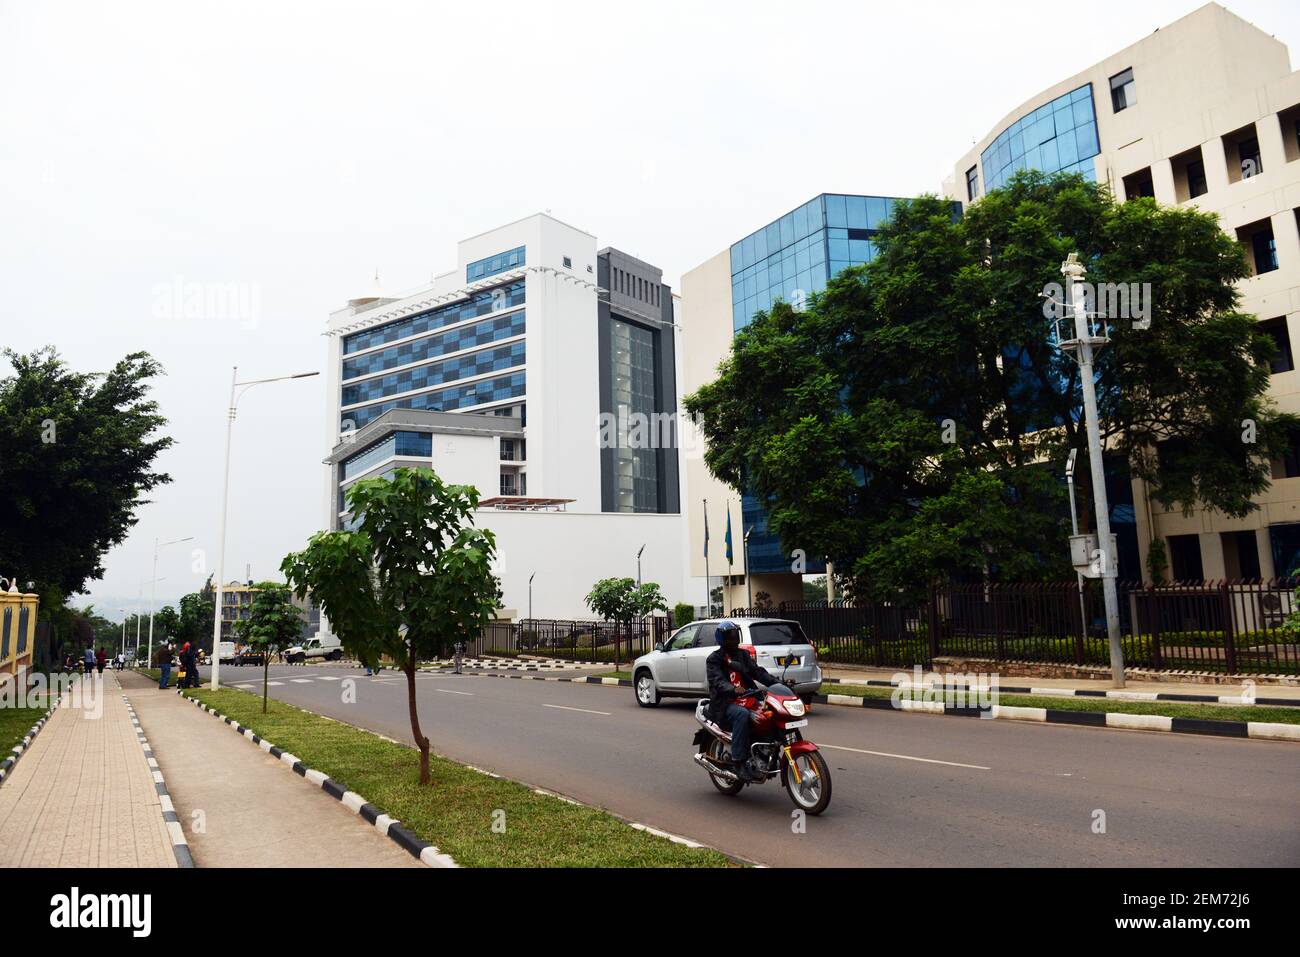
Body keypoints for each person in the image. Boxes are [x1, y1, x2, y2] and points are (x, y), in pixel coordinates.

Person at [706, 620, 778, 782]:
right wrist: (732, 689)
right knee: (742, 715)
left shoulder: (742, 655)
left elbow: (758, 672)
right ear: (722, 639)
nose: (734, 640)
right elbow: (717, 680)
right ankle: (738, 762)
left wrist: (777, 684)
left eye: (735, 636)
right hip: (725, 705)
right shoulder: (714, 659)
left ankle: (767, 752)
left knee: (770, 714)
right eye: (730, 637)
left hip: (748, 698)